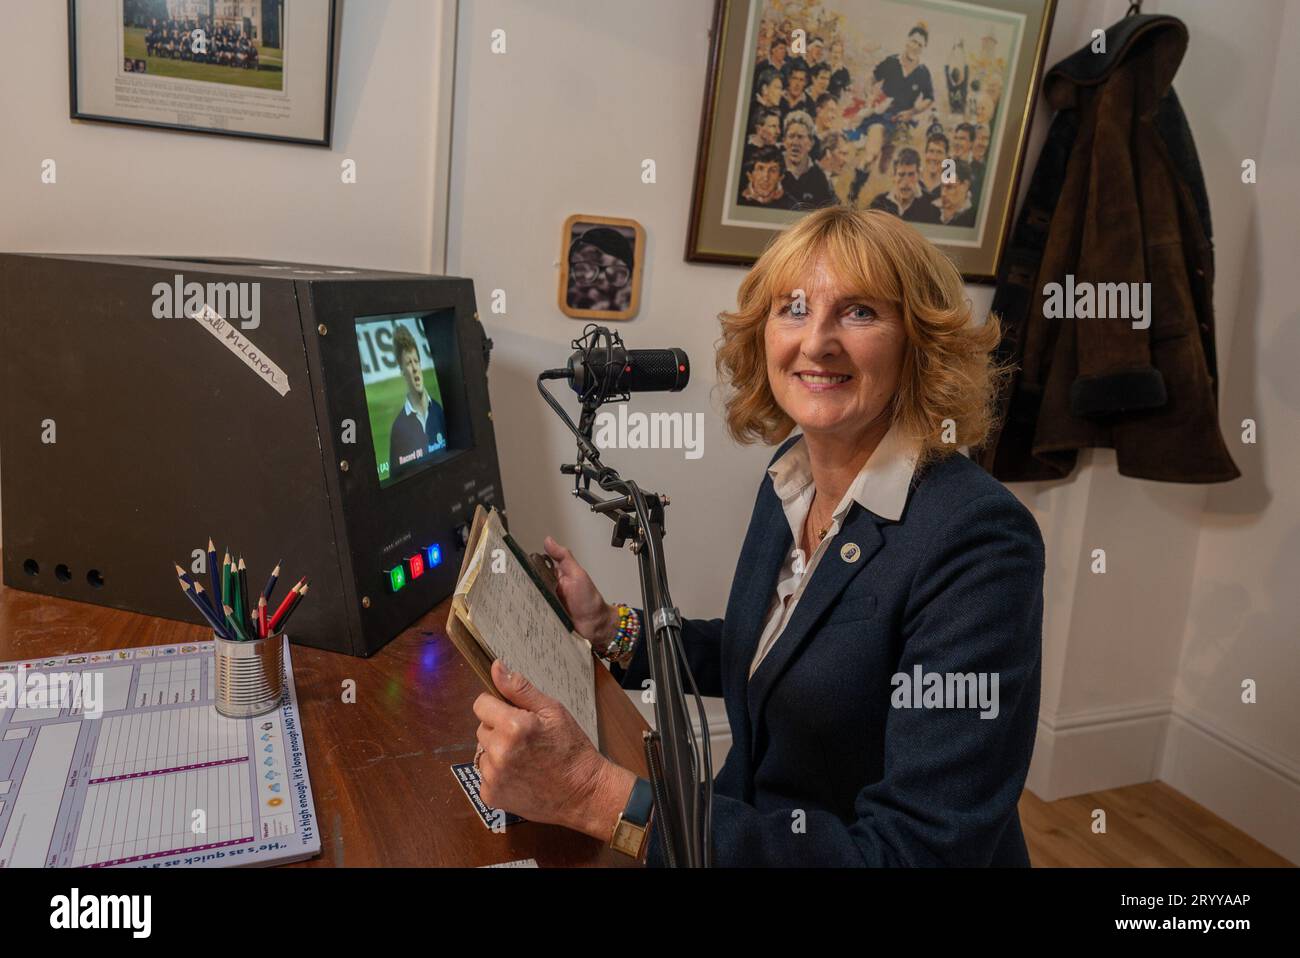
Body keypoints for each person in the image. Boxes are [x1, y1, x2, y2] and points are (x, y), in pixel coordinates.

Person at [470, 207, 1044, 866]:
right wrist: (610, 628)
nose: (817, 341)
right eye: (793, 309)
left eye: (859, 313)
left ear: (919, 342)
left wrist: (596, 794)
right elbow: (768, 657)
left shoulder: (980, 541)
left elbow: (915, 854)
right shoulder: (791, 476)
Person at [387, 325, 447, 477]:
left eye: (416, 361)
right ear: (401, 370)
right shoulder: (398, 428)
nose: (414, 368)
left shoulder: (438, 411)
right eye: (408, 363)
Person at [780, 111, 837, 209]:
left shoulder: (820, 178)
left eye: (800, 137)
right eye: (791, 136)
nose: (795, 142)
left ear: (811, 143)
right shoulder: (773, 168)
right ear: (784, 141)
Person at [869, 148, 936, 223]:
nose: (906, 181)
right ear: (893, 176)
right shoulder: (879, 203)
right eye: (901, 174)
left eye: (911, 174)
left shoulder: (930, 204)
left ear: (919, 175)